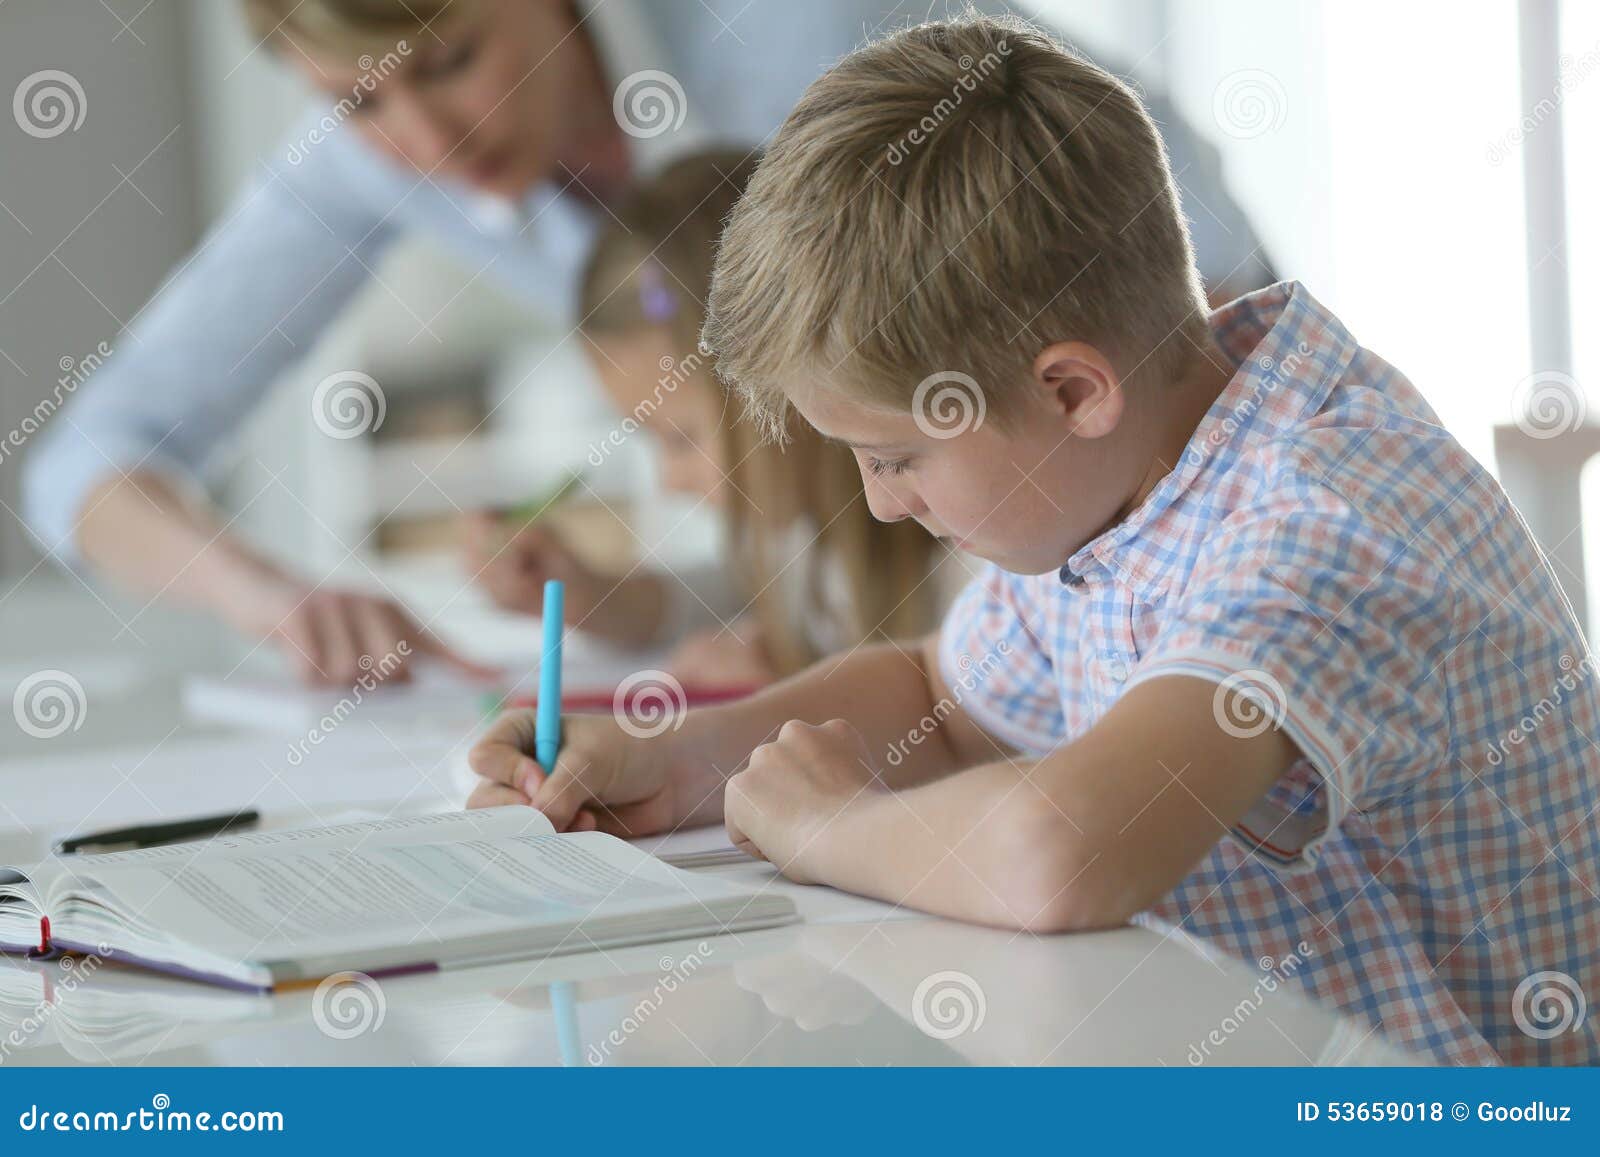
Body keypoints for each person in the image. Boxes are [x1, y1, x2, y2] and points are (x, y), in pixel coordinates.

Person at [466, 15, 1600, 1066]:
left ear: (1069, 390)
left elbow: (1062, 855)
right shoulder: (1131, 472)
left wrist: (829, 824)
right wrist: (677, 762)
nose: (880, 503)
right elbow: (942, 701)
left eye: (898, 456)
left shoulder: (1323, 523)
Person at [22, 0, 1275, 685]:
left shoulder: (800, 39)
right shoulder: (364, 161)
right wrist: (278, 598)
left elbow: (1186, 292)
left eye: (451, 58)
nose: (428, 141)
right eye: (357, 103)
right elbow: (85, 463)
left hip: (1140, 545)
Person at [462, 150, 949, 684]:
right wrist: (594, 598)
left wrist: (793, 698)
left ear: (786, 384)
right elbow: (733, 594)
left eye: (680, 438)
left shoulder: (970, 561)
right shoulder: (808, 546)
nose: (670, 482)